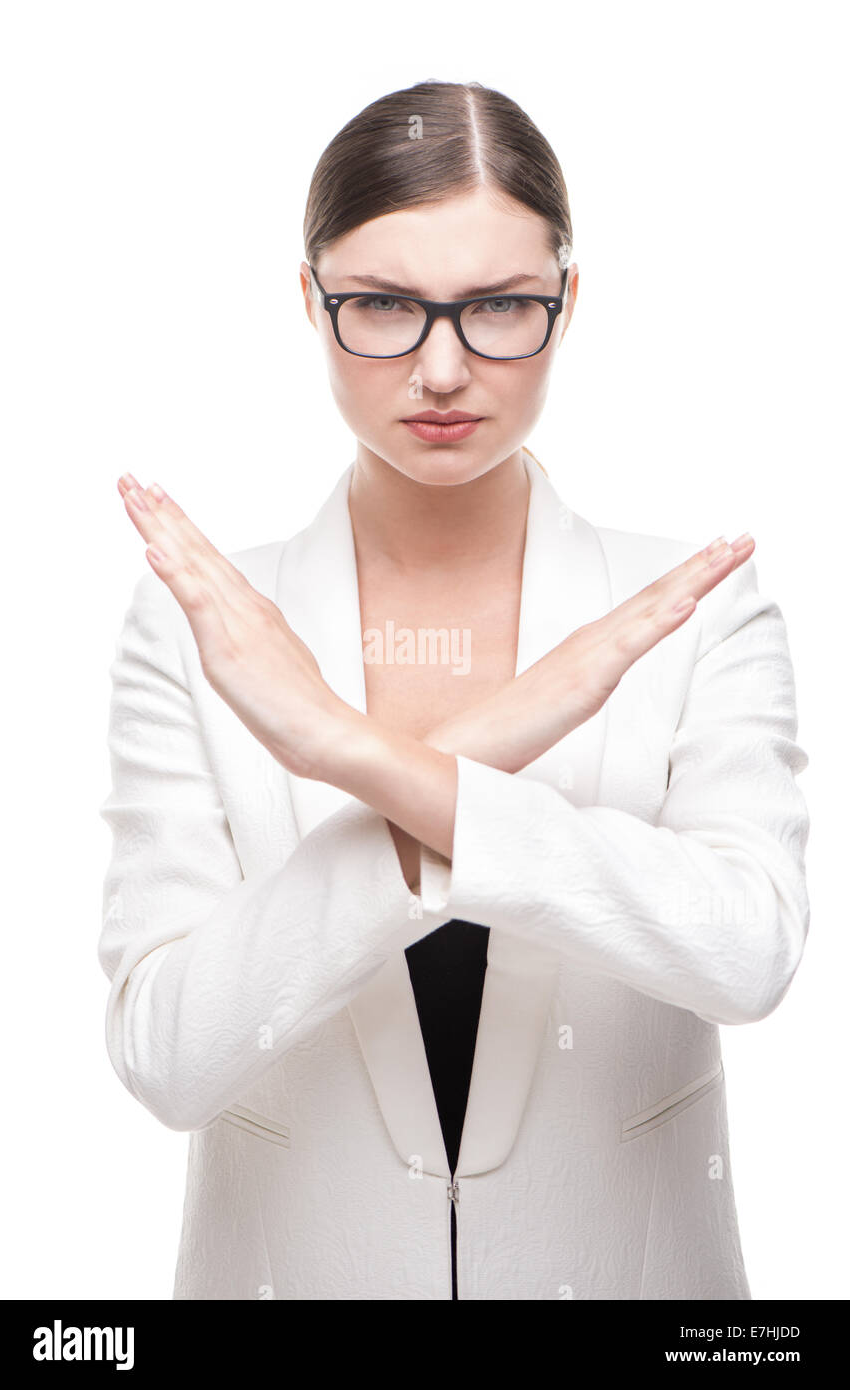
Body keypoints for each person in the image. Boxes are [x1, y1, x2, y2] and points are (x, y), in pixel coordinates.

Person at [98, 79, 810, 1300]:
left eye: (498, 307)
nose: (440, 367)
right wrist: (474, 764)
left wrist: (359, 754)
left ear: (568, 300)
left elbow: (746, 955)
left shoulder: (693, 611)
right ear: (309, 300)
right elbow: (168, 1054)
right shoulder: (203, 626)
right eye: (381, 304)